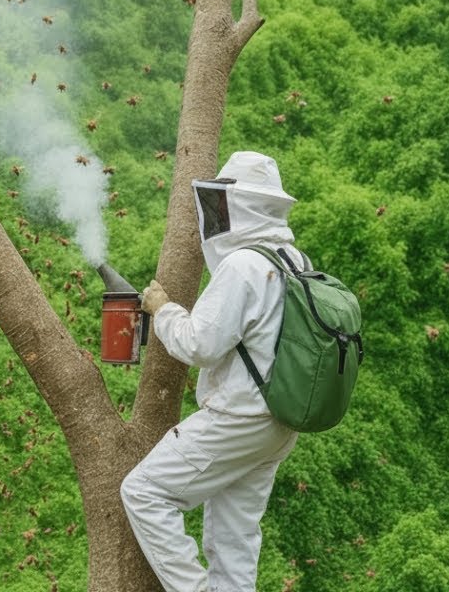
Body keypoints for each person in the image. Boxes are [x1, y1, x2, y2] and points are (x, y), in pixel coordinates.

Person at [120, 150, 304, 592]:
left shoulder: (244, 265)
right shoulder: (294, 260)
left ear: (239, 204)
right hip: (282, 421)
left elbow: (198, 345)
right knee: (234, 541)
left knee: (144, 492)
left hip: (240, 417)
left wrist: (163, 309)